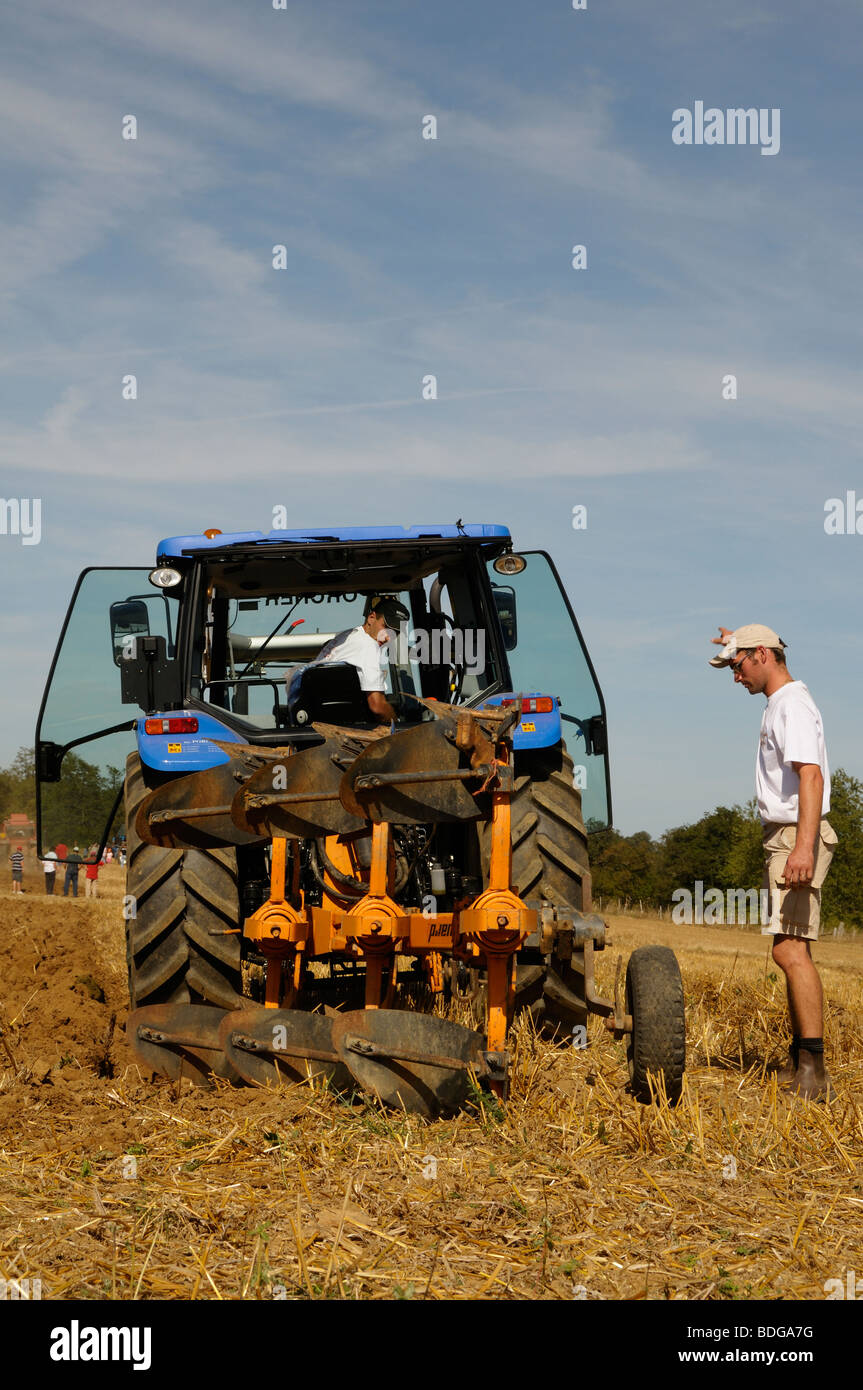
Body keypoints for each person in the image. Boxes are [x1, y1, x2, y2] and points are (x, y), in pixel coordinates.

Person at [710, 624, 837, 1101]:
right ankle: (799, 1061)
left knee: (789, 951)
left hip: (794, 836)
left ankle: (813, 1069)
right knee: (792, 949)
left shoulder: (792, 705)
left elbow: (811, 775)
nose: (735, 676)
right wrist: (733, 635)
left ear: (762, 654)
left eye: (738, 665)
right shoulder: (781, 702)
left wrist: (803, 847)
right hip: (783, 835)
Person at [305, 594, 410, 725]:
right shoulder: (369, 646)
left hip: (318, 720)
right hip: (349, 726)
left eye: (395, 633)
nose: (389, 638)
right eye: (386, 628)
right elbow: (377, 707)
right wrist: (398, 724)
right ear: (371, 618)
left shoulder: (346, 637)